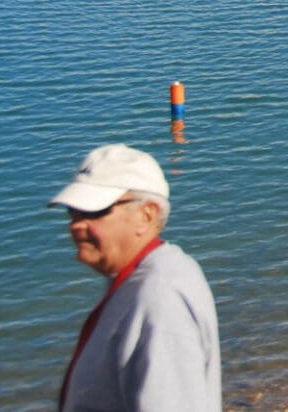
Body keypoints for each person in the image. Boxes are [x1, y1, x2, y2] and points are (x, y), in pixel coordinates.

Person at [49, 143, 221, 412]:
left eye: (94, 212)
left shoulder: (160, 299)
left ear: (146, 215)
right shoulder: (146, 280)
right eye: (73, 212)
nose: (76, 225)